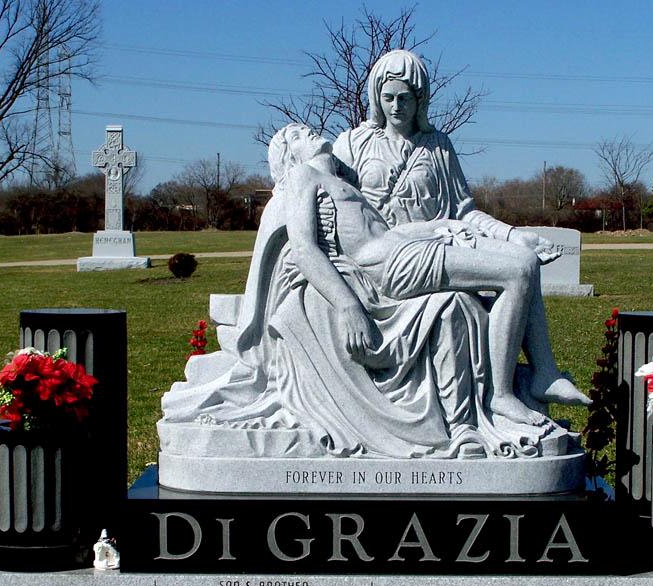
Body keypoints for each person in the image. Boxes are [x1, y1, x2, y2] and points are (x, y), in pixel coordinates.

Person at [160, 124, 569, 459]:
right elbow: (304, 249)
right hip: (388, 269)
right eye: (298, 133)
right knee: (517, 268)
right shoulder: (304, 177)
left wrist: (440, 228)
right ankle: (509, 391)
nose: (309, 130)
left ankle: (509, 394)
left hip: (405, 250)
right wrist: (347, 306)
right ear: (289, 156)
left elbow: (388, 232)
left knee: (503, 270)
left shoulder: (345, 185)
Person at [333, 49, 589, 406]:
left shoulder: (438, 146)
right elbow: (329, 207)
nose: (395, 107)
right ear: (376, 96)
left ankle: (544, 373)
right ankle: (501, 394)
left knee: (525, 260)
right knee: (516, 271)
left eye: (404, 98)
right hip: (394, 258)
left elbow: (466, 212)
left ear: (420, 99)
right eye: (387, 97)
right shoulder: (351, 145)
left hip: (443, 243)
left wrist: (513, 235)